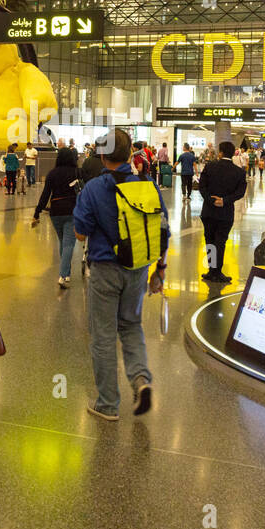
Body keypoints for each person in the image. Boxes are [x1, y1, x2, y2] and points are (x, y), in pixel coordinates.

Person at [73, 128, 168, 420]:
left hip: (105, 270)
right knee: (130, 326)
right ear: (130, 154)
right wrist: (160, 270)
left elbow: (79, 233)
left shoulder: (94, 188)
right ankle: (141, 381)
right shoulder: (147, 185)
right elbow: (163, 230)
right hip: (139, 268)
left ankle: (108, 404)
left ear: (102, 155)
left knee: (102, 335)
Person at [197, 141, 248, 284]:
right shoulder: (239, 172)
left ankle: (211, 270)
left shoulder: (210, 167)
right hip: (225, 213)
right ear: (233, 154)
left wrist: (211, 200)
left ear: (220, 153)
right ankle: (217, 272)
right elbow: (240, 192)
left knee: (210, 240)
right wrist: (224, 200)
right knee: (221, 241)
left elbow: (202, 186)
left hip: (208, 211)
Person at [33, 145, 80, 287]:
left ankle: (67, 274)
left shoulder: (52, 174)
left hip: (56, 212)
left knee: (63, 243)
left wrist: (37, 212)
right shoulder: (77, 172)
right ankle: (63, 275)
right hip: (72, 211)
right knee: (69, 244)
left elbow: (45, 194)